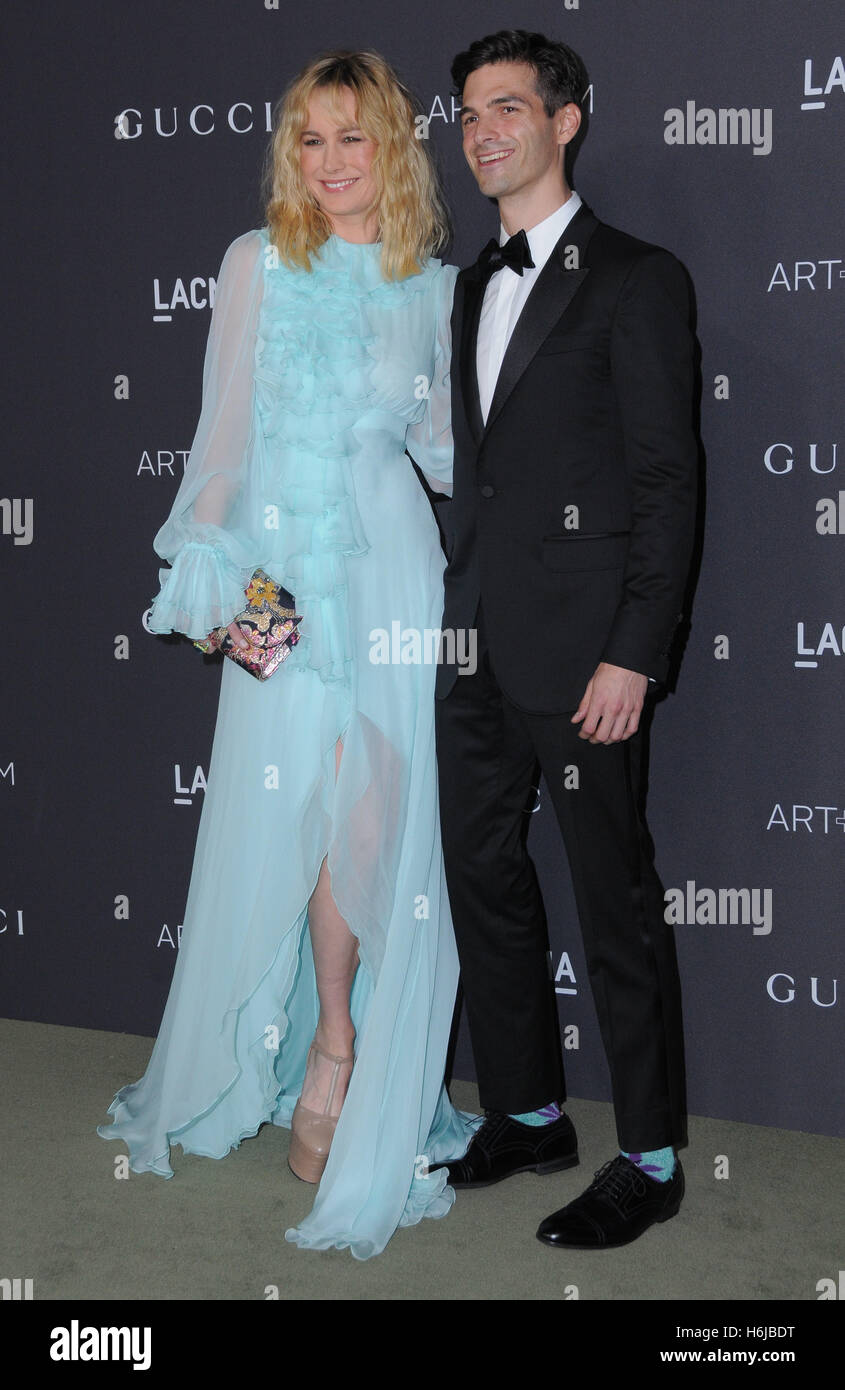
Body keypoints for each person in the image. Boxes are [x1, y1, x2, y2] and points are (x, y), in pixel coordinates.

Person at [98, 49, 477, 1261]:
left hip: (394, 573)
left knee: (370, 818)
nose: (328, 164)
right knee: (290, 816)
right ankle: (301, 1049)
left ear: (392, 149)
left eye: (350, 139)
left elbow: (439, 450)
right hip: (279, 579)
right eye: (308, 141)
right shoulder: (254, 263)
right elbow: (218, 434)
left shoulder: (433, 285)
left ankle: (341, 1050)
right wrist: (210, 573)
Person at [430, 29, 698, 1249]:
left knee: (610, 897)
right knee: (482, 880)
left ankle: (646, 1154)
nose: (482, 132)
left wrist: (634, 652)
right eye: (468, 115)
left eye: (506, 109)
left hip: (587, 652)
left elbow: (665, 479)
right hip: (474, 640)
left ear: (566, 119)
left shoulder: (636, 278)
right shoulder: (468, 282)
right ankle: (530, 1110)